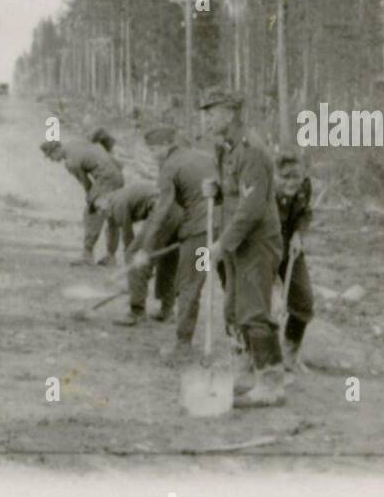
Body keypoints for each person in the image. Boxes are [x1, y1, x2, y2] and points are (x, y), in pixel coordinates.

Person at [203, 88, 286, 408]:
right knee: (233, 308)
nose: (207, 118)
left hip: (257, 241)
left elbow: (252, 208)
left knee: (253, 310)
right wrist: (217, 191)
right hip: (237, 240)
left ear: (230, 113)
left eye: (212, 111)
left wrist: (222, 244)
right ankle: (246, 371)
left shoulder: (252, 150)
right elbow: (236, 194)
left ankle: (271, 382)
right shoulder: (226, 148)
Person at [128, 126, 218, 361]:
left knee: (189, 284)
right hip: (224, 228)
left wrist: (146, 249)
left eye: (155, 149)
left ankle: (183, 346)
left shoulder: (170, 166)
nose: (154, 154)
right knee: (214, 281)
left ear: (167, 145)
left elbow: (162, 211)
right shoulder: (201, 155)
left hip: (202, 233)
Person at [101, 180, 180, 327]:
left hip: (161, 211)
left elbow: (128, 237)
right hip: (176, 211)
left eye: (99, 208)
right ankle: (167, 310)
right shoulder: (121, 196)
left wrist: (134, 274)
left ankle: (136, 311)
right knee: (166, 259)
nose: (101, 213)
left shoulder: (116, 203)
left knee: (134, 254)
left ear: (104, 200)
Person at [40, 137, 126, 266]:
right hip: (118, 176)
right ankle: (111, 256)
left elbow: (86, 184)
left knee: (91, 213)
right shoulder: (75, 142)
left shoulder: (70, 162)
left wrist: (91, 199)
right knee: (111, 216)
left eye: (50, 156)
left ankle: (87, 255)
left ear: (56, 151)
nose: (52, 160)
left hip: (106, 179)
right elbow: (97, 143)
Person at [275, 152, 315, 370]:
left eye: (296, 177)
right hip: (263, 245)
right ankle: (257, 357)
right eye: (285, 177)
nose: (291, 182)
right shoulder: (263, 192)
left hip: (291, 244)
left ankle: (289, 356)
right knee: (264, 305)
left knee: (304, 300)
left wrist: (298, 233)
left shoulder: (304, 187)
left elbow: (304, 212)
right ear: (275, 176)